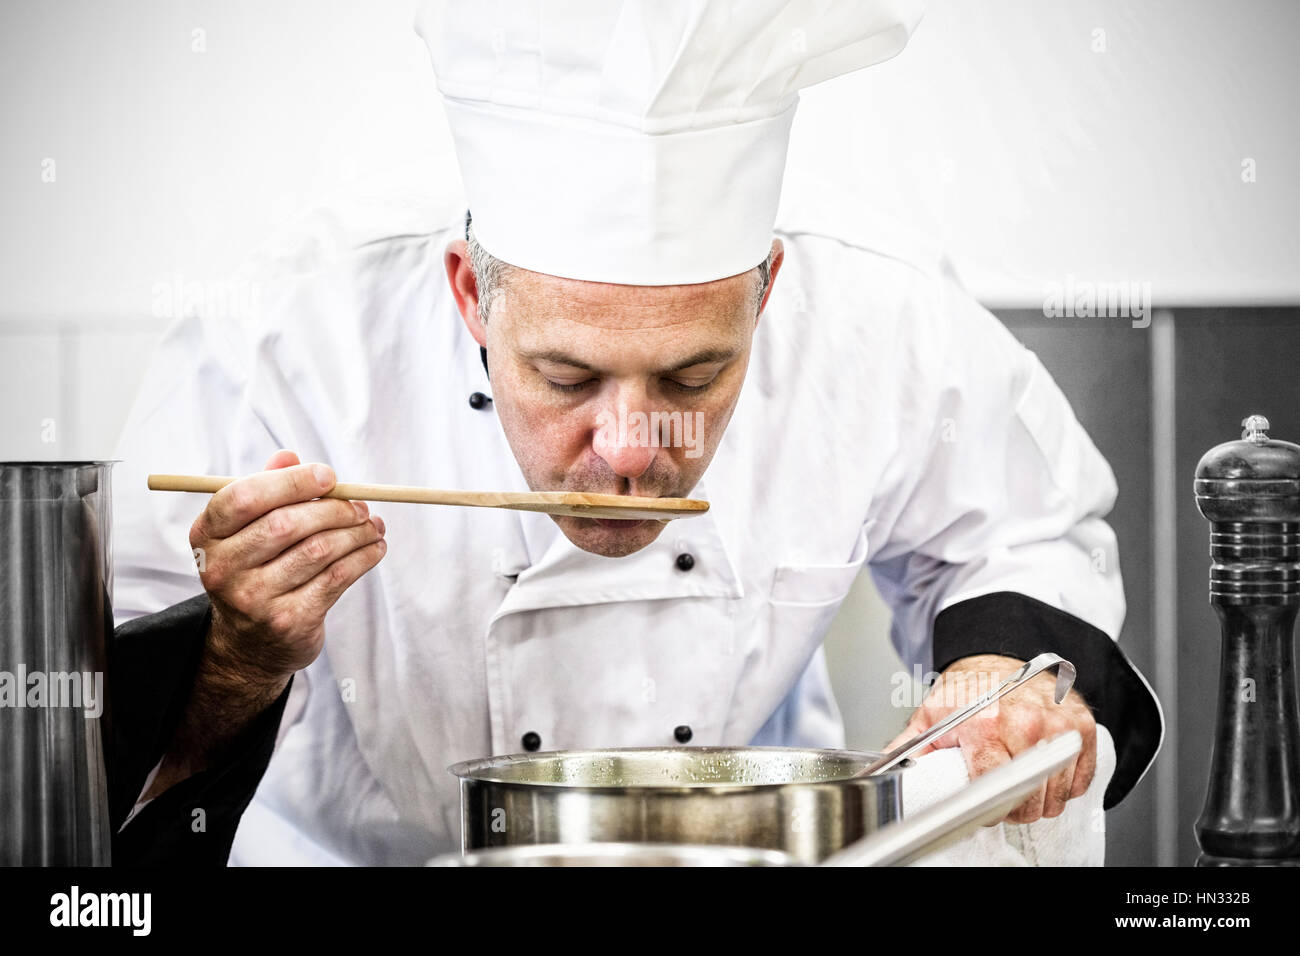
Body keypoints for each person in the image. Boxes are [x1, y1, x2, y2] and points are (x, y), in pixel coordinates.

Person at [107, 0, 1162, 865]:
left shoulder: (876, 317)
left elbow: (1026, 530)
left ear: (766, 295)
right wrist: (240, 654)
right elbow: (97, 758)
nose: (625, 448)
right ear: (472, 296)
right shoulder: (292, 339)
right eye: (565, 374)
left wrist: (1001, 680)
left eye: (694, 372)